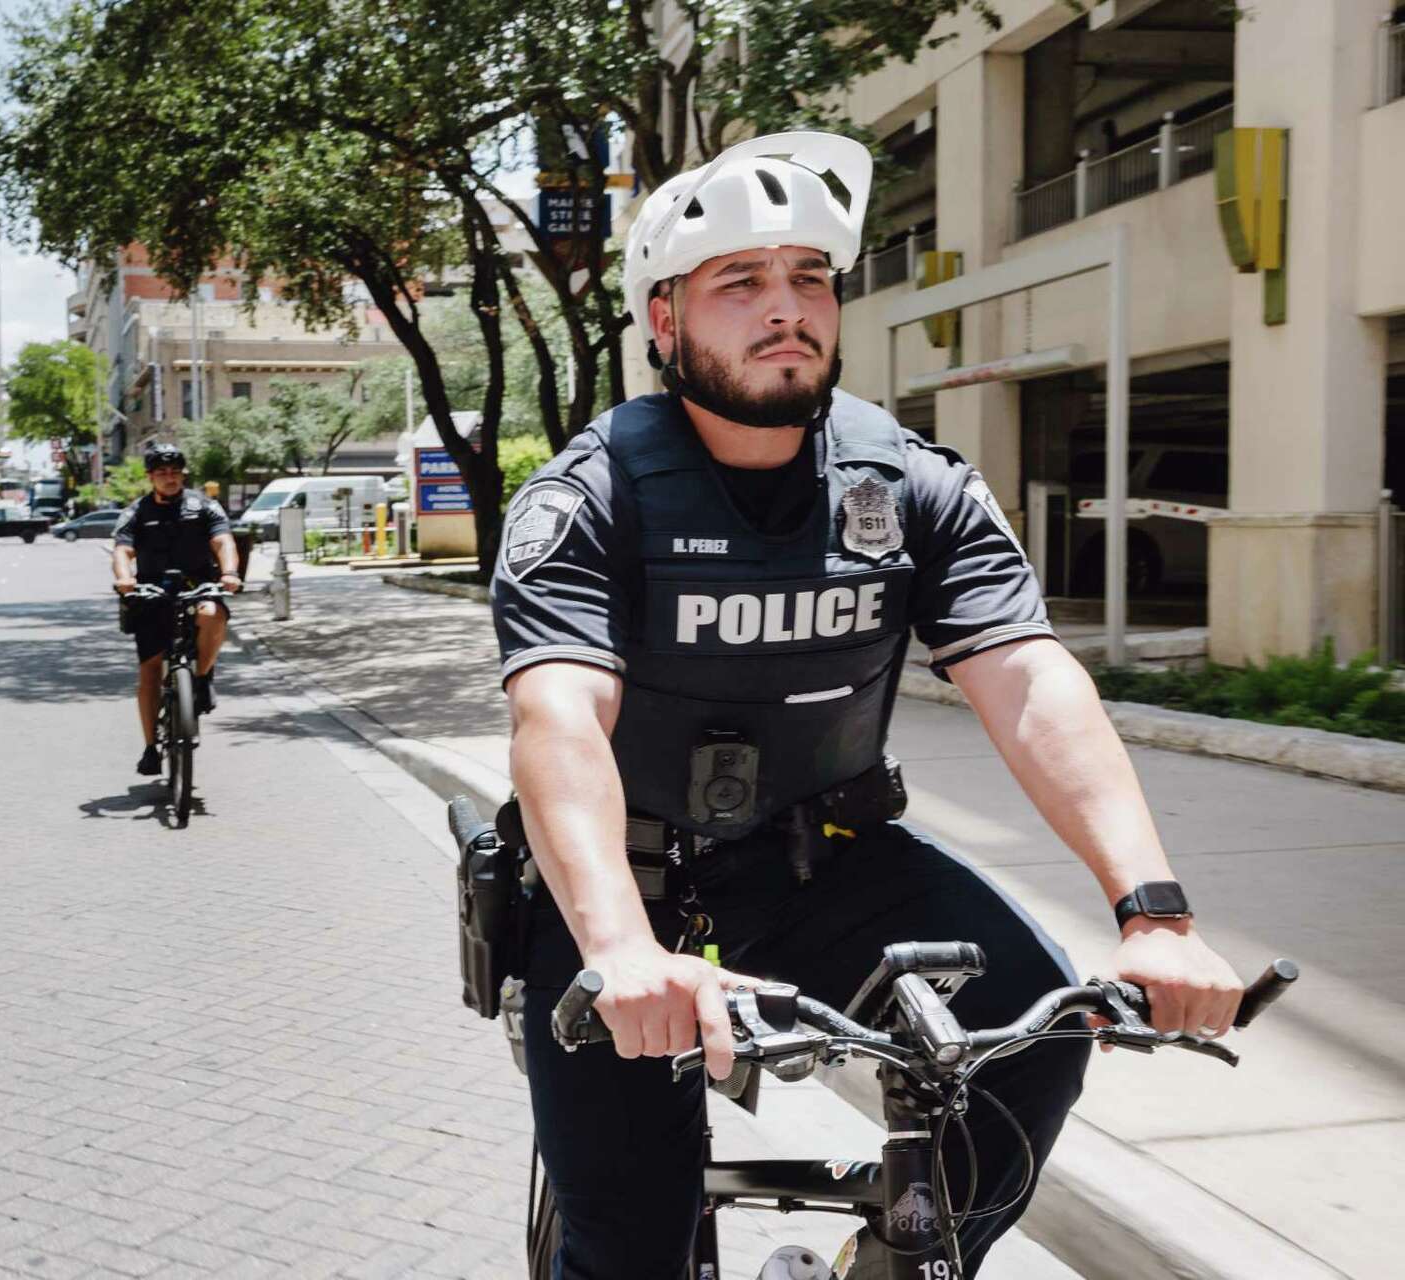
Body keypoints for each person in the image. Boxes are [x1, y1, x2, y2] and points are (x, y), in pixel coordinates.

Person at [491, 131, 1243, 1278]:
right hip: (627, 890)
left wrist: (1154, 911)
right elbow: (557, 719)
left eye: (809, 279)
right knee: (629, 1242)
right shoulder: (588, 496)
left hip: (829, 863)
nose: (784, 307)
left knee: (1037, 1038)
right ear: (664, 319)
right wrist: (618, 945)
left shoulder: (908, 483)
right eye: (739, 281)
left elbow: (1031, 678)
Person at [112, 442, 242, 776]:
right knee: (151, 670)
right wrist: (125, 579)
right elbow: (123, 550)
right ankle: (150, 748)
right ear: (150, 477)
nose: (169, 478)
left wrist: (228, 572)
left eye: (175, 472)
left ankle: (200, 680)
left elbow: (223, 541)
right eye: (161, 473)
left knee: (212, 614)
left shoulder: (204, 506)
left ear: (183, 474)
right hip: (151, 591)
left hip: (197, 584)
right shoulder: (137, 511)